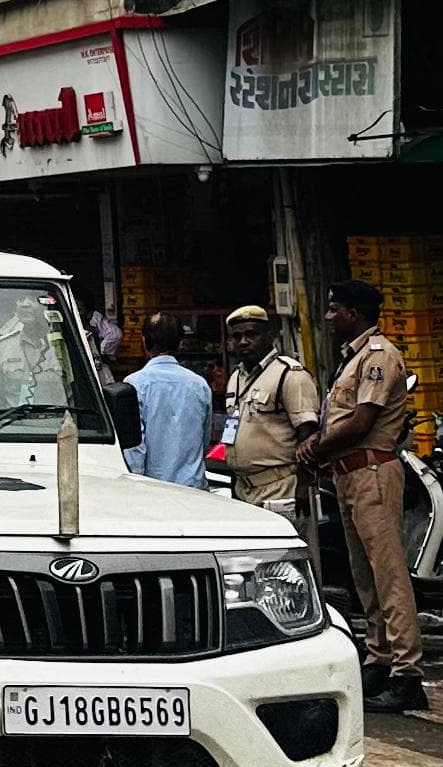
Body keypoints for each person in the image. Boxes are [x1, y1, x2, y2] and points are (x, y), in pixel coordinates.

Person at [301, 281, 427, 713]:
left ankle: (408, 672)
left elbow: (360, 421)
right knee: (365, 576)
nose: (328, 316)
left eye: (335, 309)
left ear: (354, 313)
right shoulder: (351, 358)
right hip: (348, 473)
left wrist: (315, 448)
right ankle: (380, 656)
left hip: (372, 470)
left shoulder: (378, 356)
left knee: (388, 573)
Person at [216, 304, 321, 512]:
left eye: (251, 335)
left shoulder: (289, 374)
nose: (244, 342)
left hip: (281, 487)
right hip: (243, 489)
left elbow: (307, 434)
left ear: (269, 336)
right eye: (237, 337)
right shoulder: (236, 377)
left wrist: (304, 485)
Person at [123, 318, 212, 488]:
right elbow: (204, 441)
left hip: (152, 489)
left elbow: (134, 448)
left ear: (144, 342)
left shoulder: (135, 384)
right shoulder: (199, 384)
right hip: (194, 489)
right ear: (180, 343)